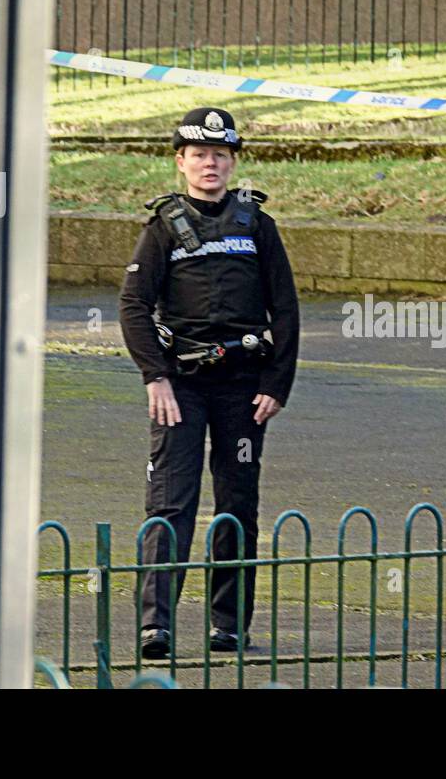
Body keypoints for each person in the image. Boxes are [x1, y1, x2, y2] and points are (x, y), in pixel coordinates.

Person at [118, 107, 300, 658]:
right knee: (171, 502)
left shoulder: (257, 225)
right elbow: (132, 305)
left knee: (237, 505)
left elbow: (286, 308)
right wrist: (155, 377)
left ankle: (228, 624)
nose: (210, 164)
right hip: (180, 386)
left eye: (220, 155)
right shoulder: (162, 227)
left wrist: (276, 384)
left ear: (233, 161)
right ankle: (157, 625)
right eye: (199, 155)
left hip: (244, 386)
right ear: (181, 162)